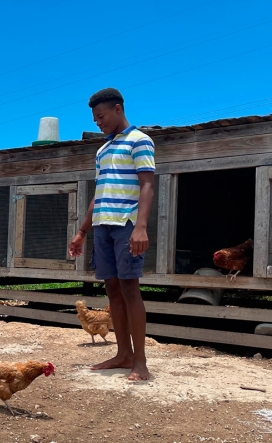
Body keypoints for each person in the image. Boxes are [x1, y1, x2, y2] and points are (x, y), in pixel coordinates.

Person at [68, 87, 155, 381]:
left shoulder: (139, 141)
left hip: (127, 224)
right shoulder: (102, 150)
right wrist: (82, 231)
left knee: (130, 288)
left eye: (101, 116)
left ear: (118, 109)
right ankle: (123, 354)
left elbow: (146, 186)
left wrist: (141, 227)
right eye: (94, 120)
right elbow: (99, 193)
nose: (98, 122)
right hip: (103, 225)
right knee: (112, 290)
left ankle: (140, 361)